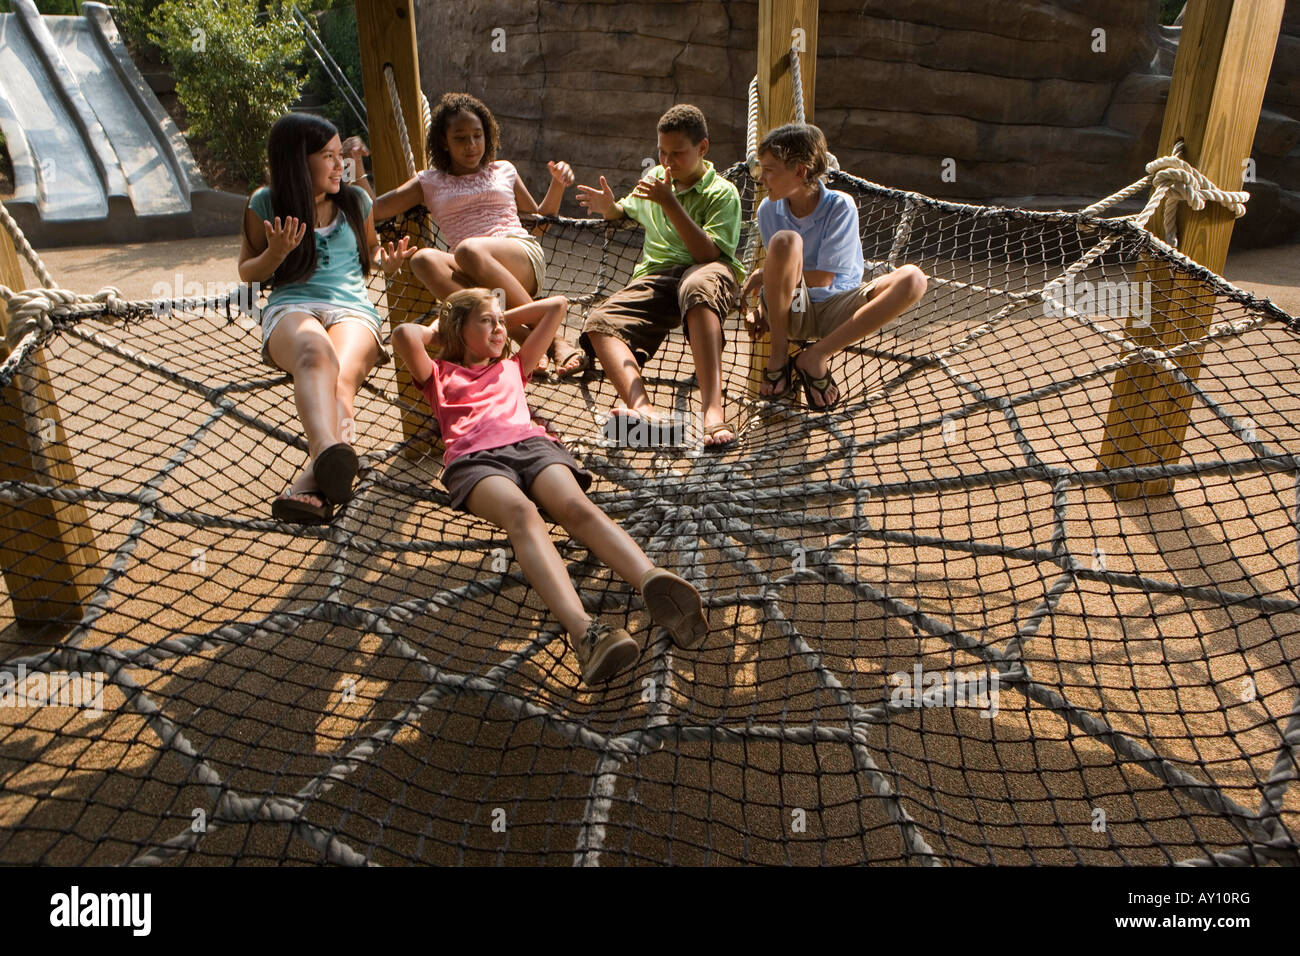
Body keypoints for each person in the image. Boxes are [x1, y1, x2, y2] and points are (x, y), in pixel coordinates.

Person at [391, 289, 710, 685]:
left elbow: (557, 306)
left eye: (501, 322)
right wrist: (446, 327)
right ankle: (586, 634)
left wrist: (496, 317)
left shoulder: (513, 366)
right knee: (522, 515)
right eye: (486, 322)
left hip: (532, 445)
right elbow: (404, 334)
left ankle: (651, 579)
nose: (499, 328)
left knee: (575, 507)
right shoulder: (438, 375)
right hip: (475, 460)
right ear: (458, 329)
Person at [239, 113, 414, 524]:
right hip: (292, 305)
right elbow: (248, 272)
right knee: (315, 355)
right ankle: (326, 453)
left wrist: (384, 261)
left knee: (341, 381)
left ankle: (312, 481)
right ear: (298, 160)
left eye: (341, 155)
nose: (341, 165)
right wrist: (275, 254)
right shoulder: (265, 203)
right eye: (329, 156)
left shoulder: (356, 202)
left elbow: (370, 249)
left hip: (352, 308)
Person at [371, 92, 586, 378]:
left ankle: (554, 340)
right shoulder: (429, 182)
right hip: (472, 275)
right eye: (460, 138)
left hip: (519, 257)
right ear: (444, 142)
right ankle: (524, 338)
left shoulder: (504, 170)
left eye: (477, 136)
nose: (471, 145)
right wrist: (350, 171)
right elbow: (372, 209)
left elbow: (539, 223)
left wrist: (557, 184)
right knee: (423, 259)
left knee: (468, 250)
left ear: (488, 135)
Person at [577, 104, 744, 450]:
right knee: (599, 321)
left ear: (702, 148)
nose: (667, 162)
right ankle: (644, 411)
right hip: (657, 279)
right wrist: (609, 207)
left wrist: (670, 202)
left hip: (708, 273)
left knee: (696, 287)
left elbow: (707, 254)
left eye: (677, 153)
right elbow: (625, 209)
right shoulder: (654, 180)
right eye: (662, 152)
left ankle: (713, 410)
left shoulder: (721, 192)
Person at [742, 123, 927, 410]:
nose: (762, 178)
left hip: (838, 307)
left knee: (914, 278)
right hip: (795, 308)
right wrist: (762, 310)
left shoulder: (840, 206)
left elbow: (824, 278)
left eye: (769, 170)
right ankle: (778, 354)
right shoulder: (768, 209)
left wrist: (762, 274)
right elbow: (782, 273)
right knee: (785, 241)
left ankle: (815, 356)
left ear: (800, 171)